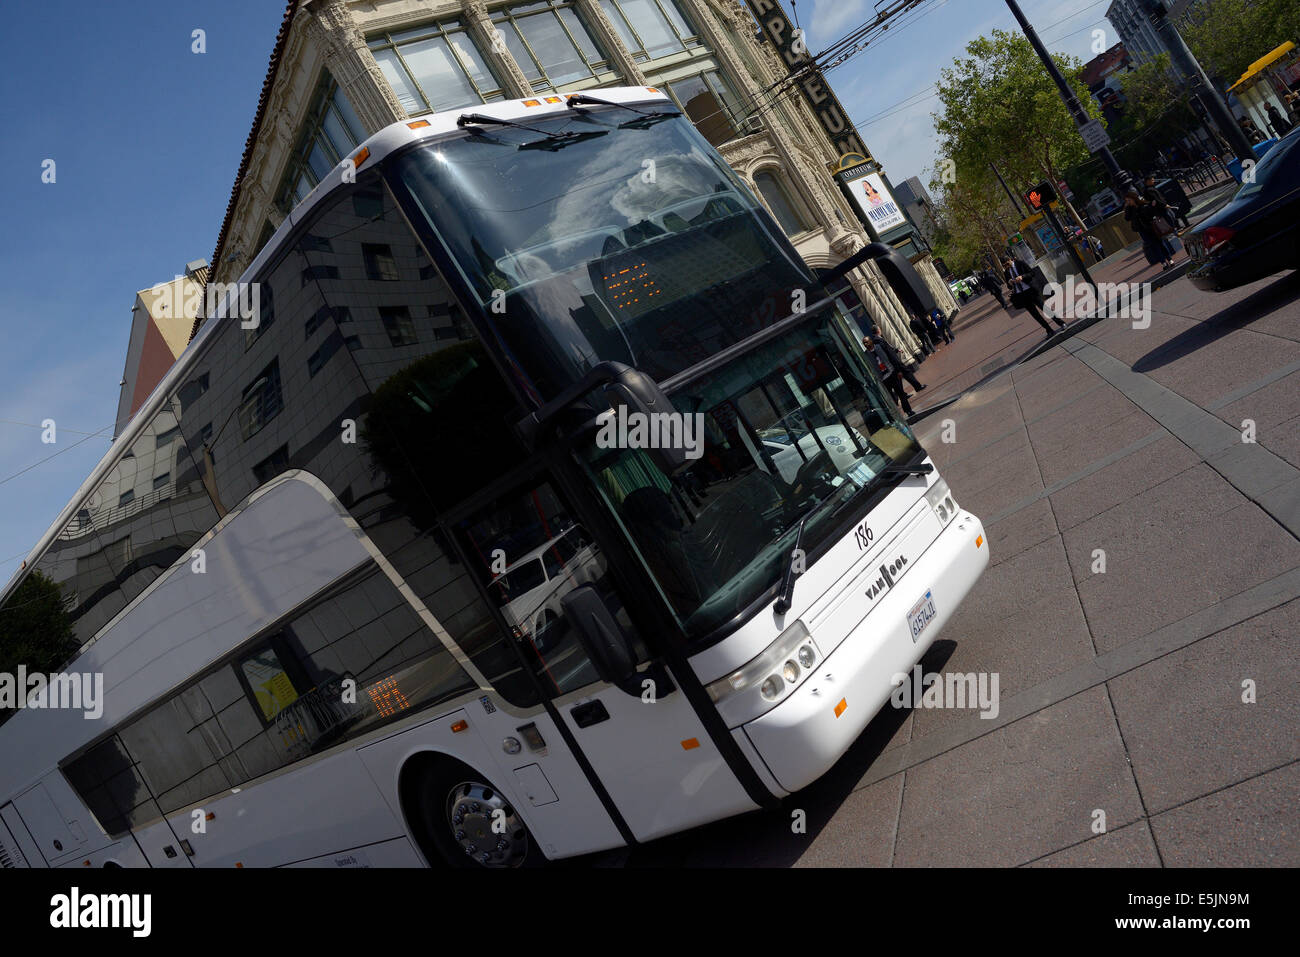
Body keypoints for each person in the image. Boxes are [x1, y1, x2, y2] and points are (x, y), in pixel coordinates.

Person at [863, 328, 924, 416]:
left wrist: (898, 371)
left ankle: (908, 411)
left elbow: (891, 357)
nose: (866, 344)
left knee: (901, 394)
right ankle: (897, 416)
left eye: (867, 342)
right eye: (864, 343)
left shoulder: (880, 347)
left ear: (871, 341)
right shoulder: (866, 355)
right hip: (883, 379)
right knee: (891, 399)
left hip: (892, 373)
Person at [1003, 255, 1064, 336]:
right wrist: (1009, 283)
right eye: (1004, 265)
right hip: (1021, 295)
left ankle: (1061, 323)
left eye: (1007, 264)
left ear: (1010, 260)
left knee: (1044, 308)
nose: (1007, 266)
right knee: (1035, 315)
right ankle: (1049, 330)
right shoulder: (1006, 272)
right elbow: (1009, 286)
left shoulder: (1020, 263)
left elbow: (1032, 273)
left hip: (1030, 290)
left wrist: (1022, 277)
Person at [1123, 188, 1175, 269]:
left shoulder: (1142, 204)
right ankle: (1163, 262)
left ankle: (1169, 259)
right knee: (1153, 245)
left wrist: (1151, 208)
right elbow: (1127, 218)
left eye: (1129, 200)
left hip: (1151, 227)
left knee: (1160, 243)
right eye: (1127, 201)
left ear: (1134, 199)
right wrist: (1126, 207)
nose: (1128, 202)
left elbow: (1151, 213)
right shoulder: (1130, 209)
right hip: (1142, 230)